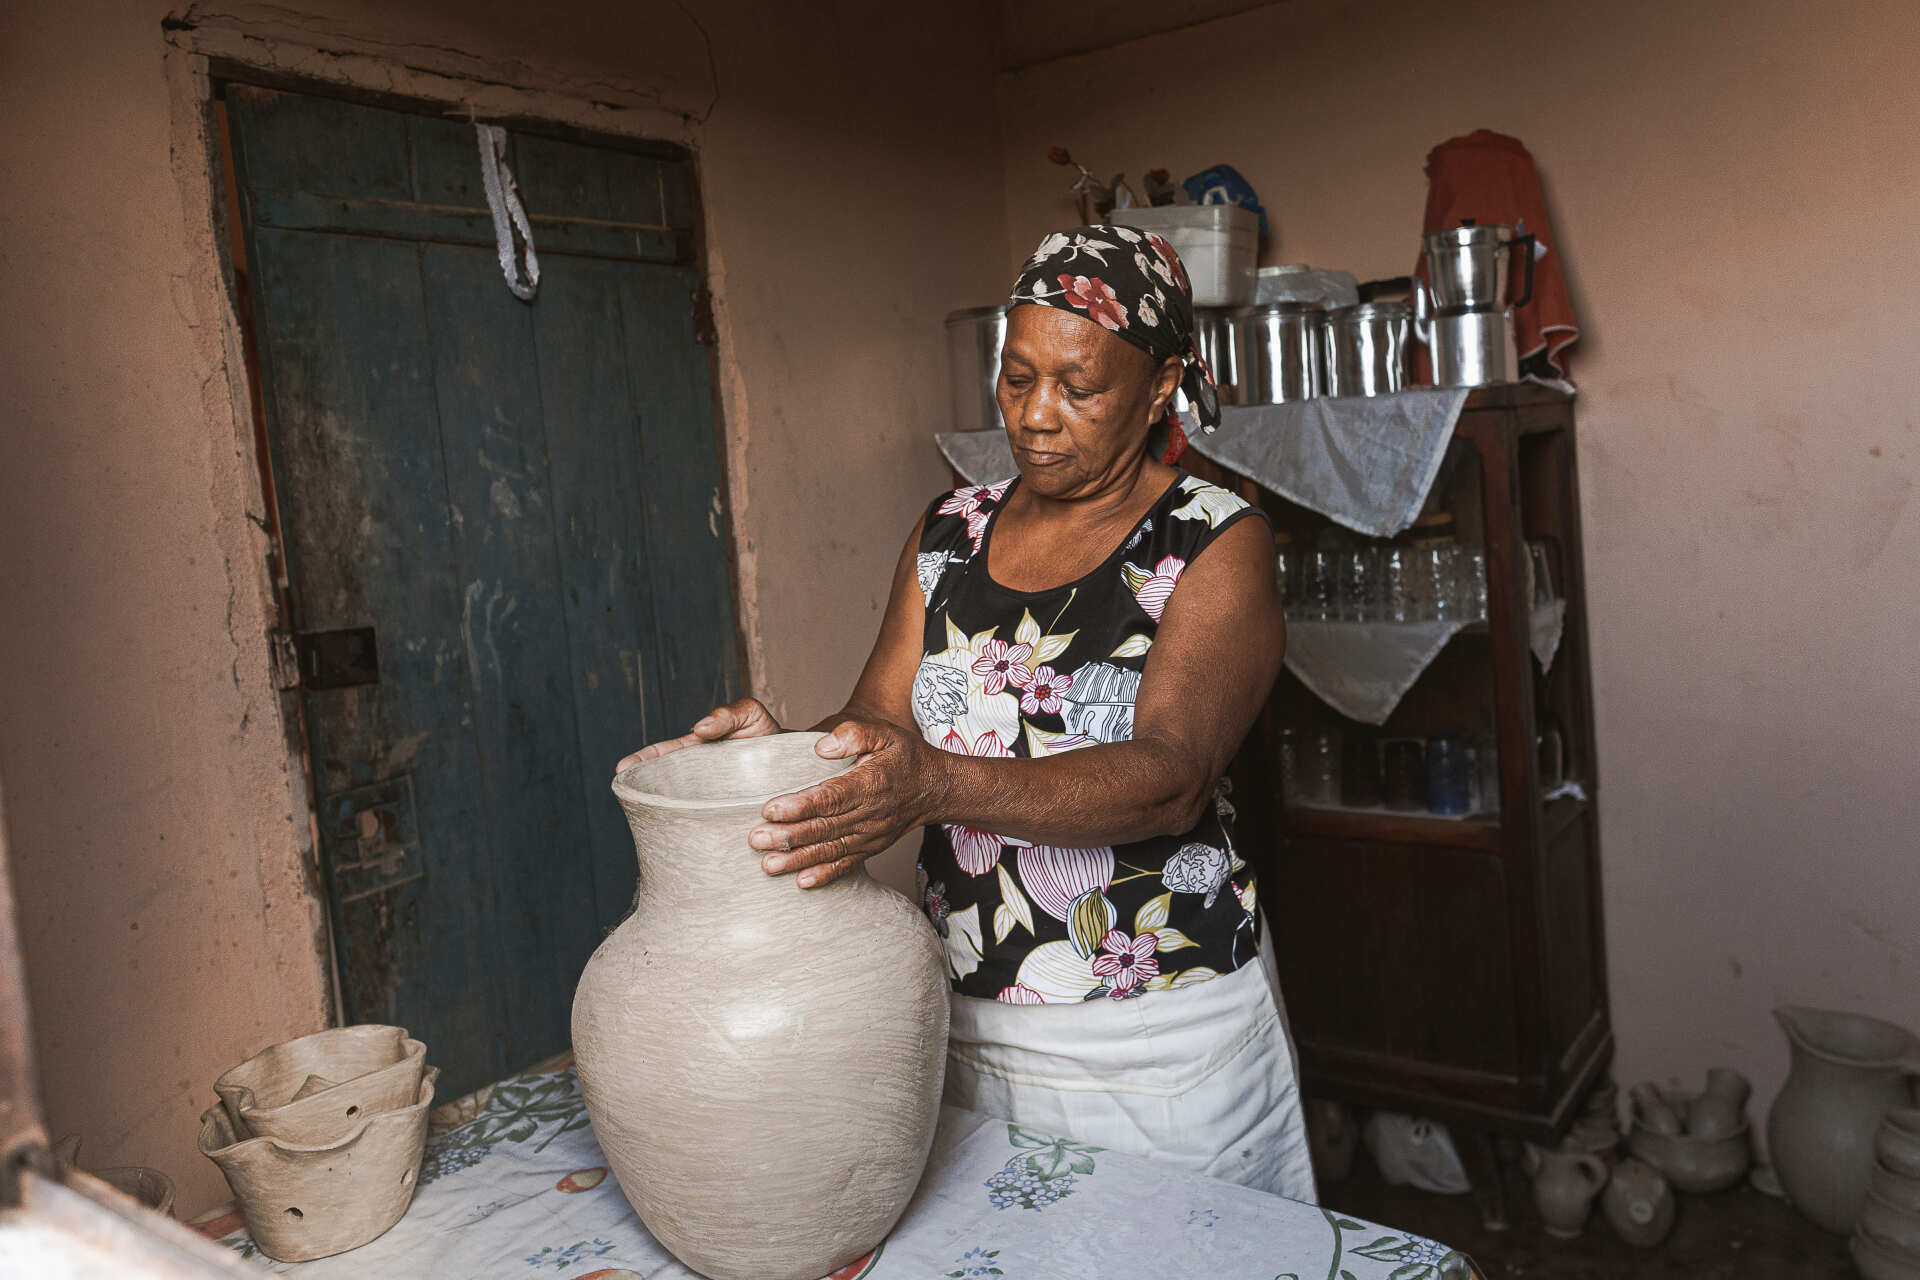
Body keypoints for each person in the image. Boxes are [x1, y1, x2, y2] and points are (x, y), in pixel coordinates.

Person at [619, 225, 1313, 1200]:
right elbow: (875, 727)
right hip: (964, 1012)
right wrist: (777, 754)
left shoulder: (1214, 542)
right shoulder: (951, 531)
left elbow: (1171, 775)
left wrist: (939, 783)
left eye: (1078, 387)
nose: (1034, 415)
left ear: (1160, 386)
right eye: (1016, 375)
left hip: (1154, 1034)